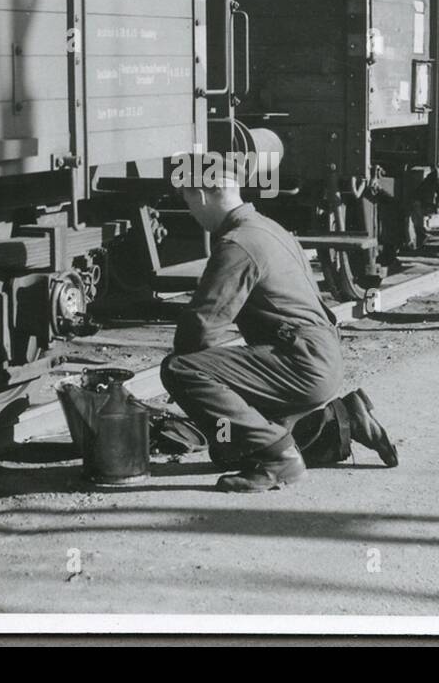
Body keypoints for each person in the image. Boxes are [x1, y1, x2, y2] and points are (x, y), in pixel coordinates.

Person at [160, 157, 395, 491]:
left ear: (200, 193)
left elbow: (201, 328)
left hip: (300, 364)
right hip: (319, 358)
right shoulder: (270, 228)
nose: (191, 213)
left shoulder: (237, 243)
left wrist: (194, 387)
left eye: (187, 201)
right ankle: (341, 419)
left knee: (179, 369)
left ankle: (281, 460)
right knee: (229, 449)